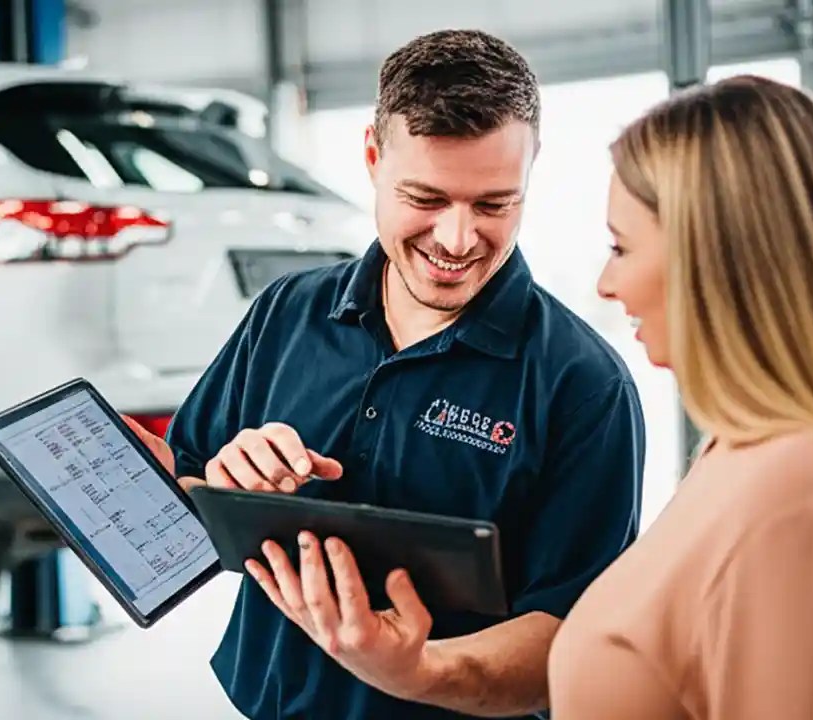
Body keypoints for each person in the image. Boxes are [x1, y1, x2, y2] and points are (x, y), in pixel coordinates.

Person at [126, 29, 645, 719]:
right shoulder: (289, 312)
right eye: (426, 197)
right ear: (373, 155)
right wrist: (223, 478)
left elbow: (571, 639)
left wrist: (420, 672)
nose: (458, 240)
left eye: (494, 204)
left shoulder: (584, 386)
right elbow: (189, 487)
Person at [547, 74, 813, 718]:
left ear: (715, 259)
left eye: (621, 248)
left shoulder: (803, 500)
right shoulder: (736, 453)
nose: (605, 283)